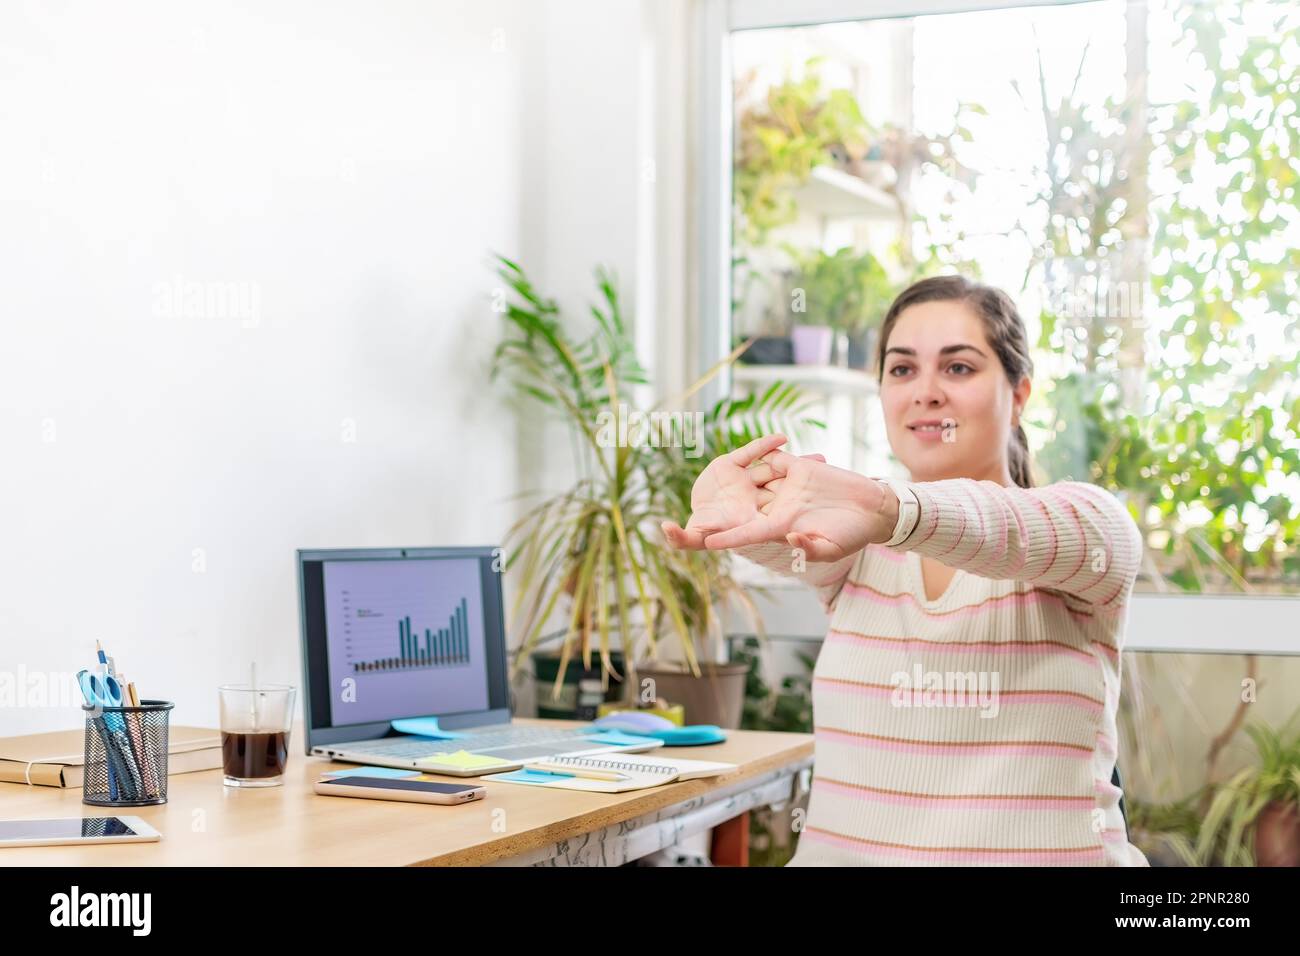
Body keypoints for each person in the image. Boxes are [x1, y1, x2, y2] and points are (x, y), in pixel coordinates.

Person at [664, 275, 1148, 866]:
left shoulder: (1083, 531)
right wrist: (740, 513)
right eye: (901, 369)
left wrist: (886, 506)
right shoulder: (857, 552)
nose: (926, 392)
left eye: (959, 368)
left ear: (1019, 394)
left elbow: (1011, 530)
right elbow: (786, 542)